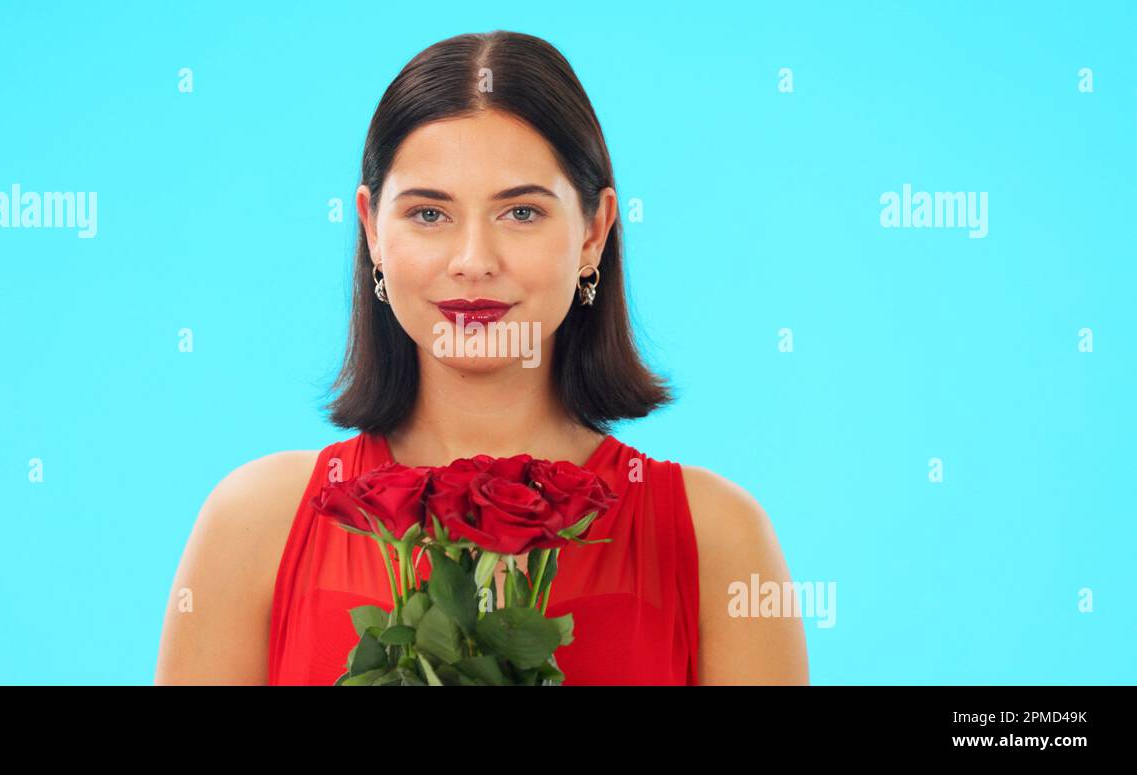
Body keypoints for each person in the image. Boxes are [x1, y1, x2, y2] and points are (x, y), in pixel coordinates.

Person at [155, 30, 808, 686]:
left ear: (593, 232)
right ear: (372, 230)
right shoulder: (252, 524)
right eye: (430, 214)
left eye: (521, 211)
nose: (473, 261)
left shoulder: (718, 537)